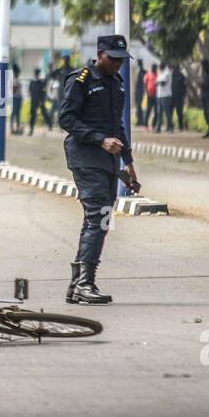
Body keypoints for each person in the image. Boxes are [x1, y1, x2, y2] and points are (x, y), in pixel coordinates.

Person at [59, 34, 142, 306]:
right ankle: (85, 283)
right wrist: (100, 139)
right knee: (98, 216)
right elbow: (66, 118)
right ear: (100, 54)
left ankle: (78, 284)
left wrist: (129, 165)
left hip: (108, 161)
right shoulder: (81, 80)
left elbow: (117, 127)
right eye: (113, 59)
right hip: (85, 157)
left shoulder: (115, 84)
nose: (118, 64)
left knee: (102, 220)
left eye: (121, 60)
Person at [27, 68, 49, 135]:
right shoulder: (32, 82)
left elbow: (43, 92)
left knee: (44, 113)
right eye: (36, 73)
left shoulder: (40, 82)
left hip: (39, 101)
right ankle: (31, 130)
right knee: (33, 116)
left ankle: (49, 125)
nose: (37, 75)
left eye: (37, 73)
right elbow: (29, 91)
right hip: (33, 101)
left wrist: (42, 101)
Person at [155, 63, 173, 133]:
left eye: (160, 66)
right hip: (159, 95)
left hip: (166, 95)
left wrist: (158, 82)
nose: (159, 68)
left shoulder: (167, 73)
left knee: (167, 113)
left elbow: (163, 83)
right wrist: (158, 82)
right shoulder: (161, 73)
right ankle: (158, 128)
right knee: (159, 112)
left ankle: (170, 128)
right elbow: (157, 83)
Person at [171, 63, 187, 131]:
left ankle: (180, 127)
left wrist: (183, 95)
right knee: (170, 112)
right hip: (172, 97)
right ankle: (170, 126)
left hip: (179, 97)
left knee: (179, 113)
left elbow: (184, 87)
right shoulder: (171, 76)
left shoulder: (182, 76)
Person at [133, 59, 147, 130]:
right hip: (137, 91)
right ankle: (139, 120)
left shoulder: (144, 71)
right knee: (138, 106)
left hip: (141, 91)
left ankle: (141, 120)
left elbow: (144, 82)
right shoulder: (137, 71)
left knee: (139, 106)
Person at [10, 63, 24, 135]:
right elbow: (14, 90)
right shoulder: (14, 80)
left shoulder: (16, 79)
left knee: (17, 114)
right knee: (14, 113)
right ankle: (12, 128)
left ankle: (17, 128)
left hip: (18, 97)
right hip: (16, 97)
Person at [143, 63, 158, 129]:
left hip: (156, 96)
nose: (153, 68)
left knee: (156, 111)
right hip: (149, 95)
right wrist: (147, 92)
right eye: (153, 67)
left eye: (154, 67)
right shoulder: (148, 74)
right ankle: (146, 125)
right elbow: (145, 84)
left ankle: (153, 125)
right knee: (148, 110)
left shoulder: (157, 75)